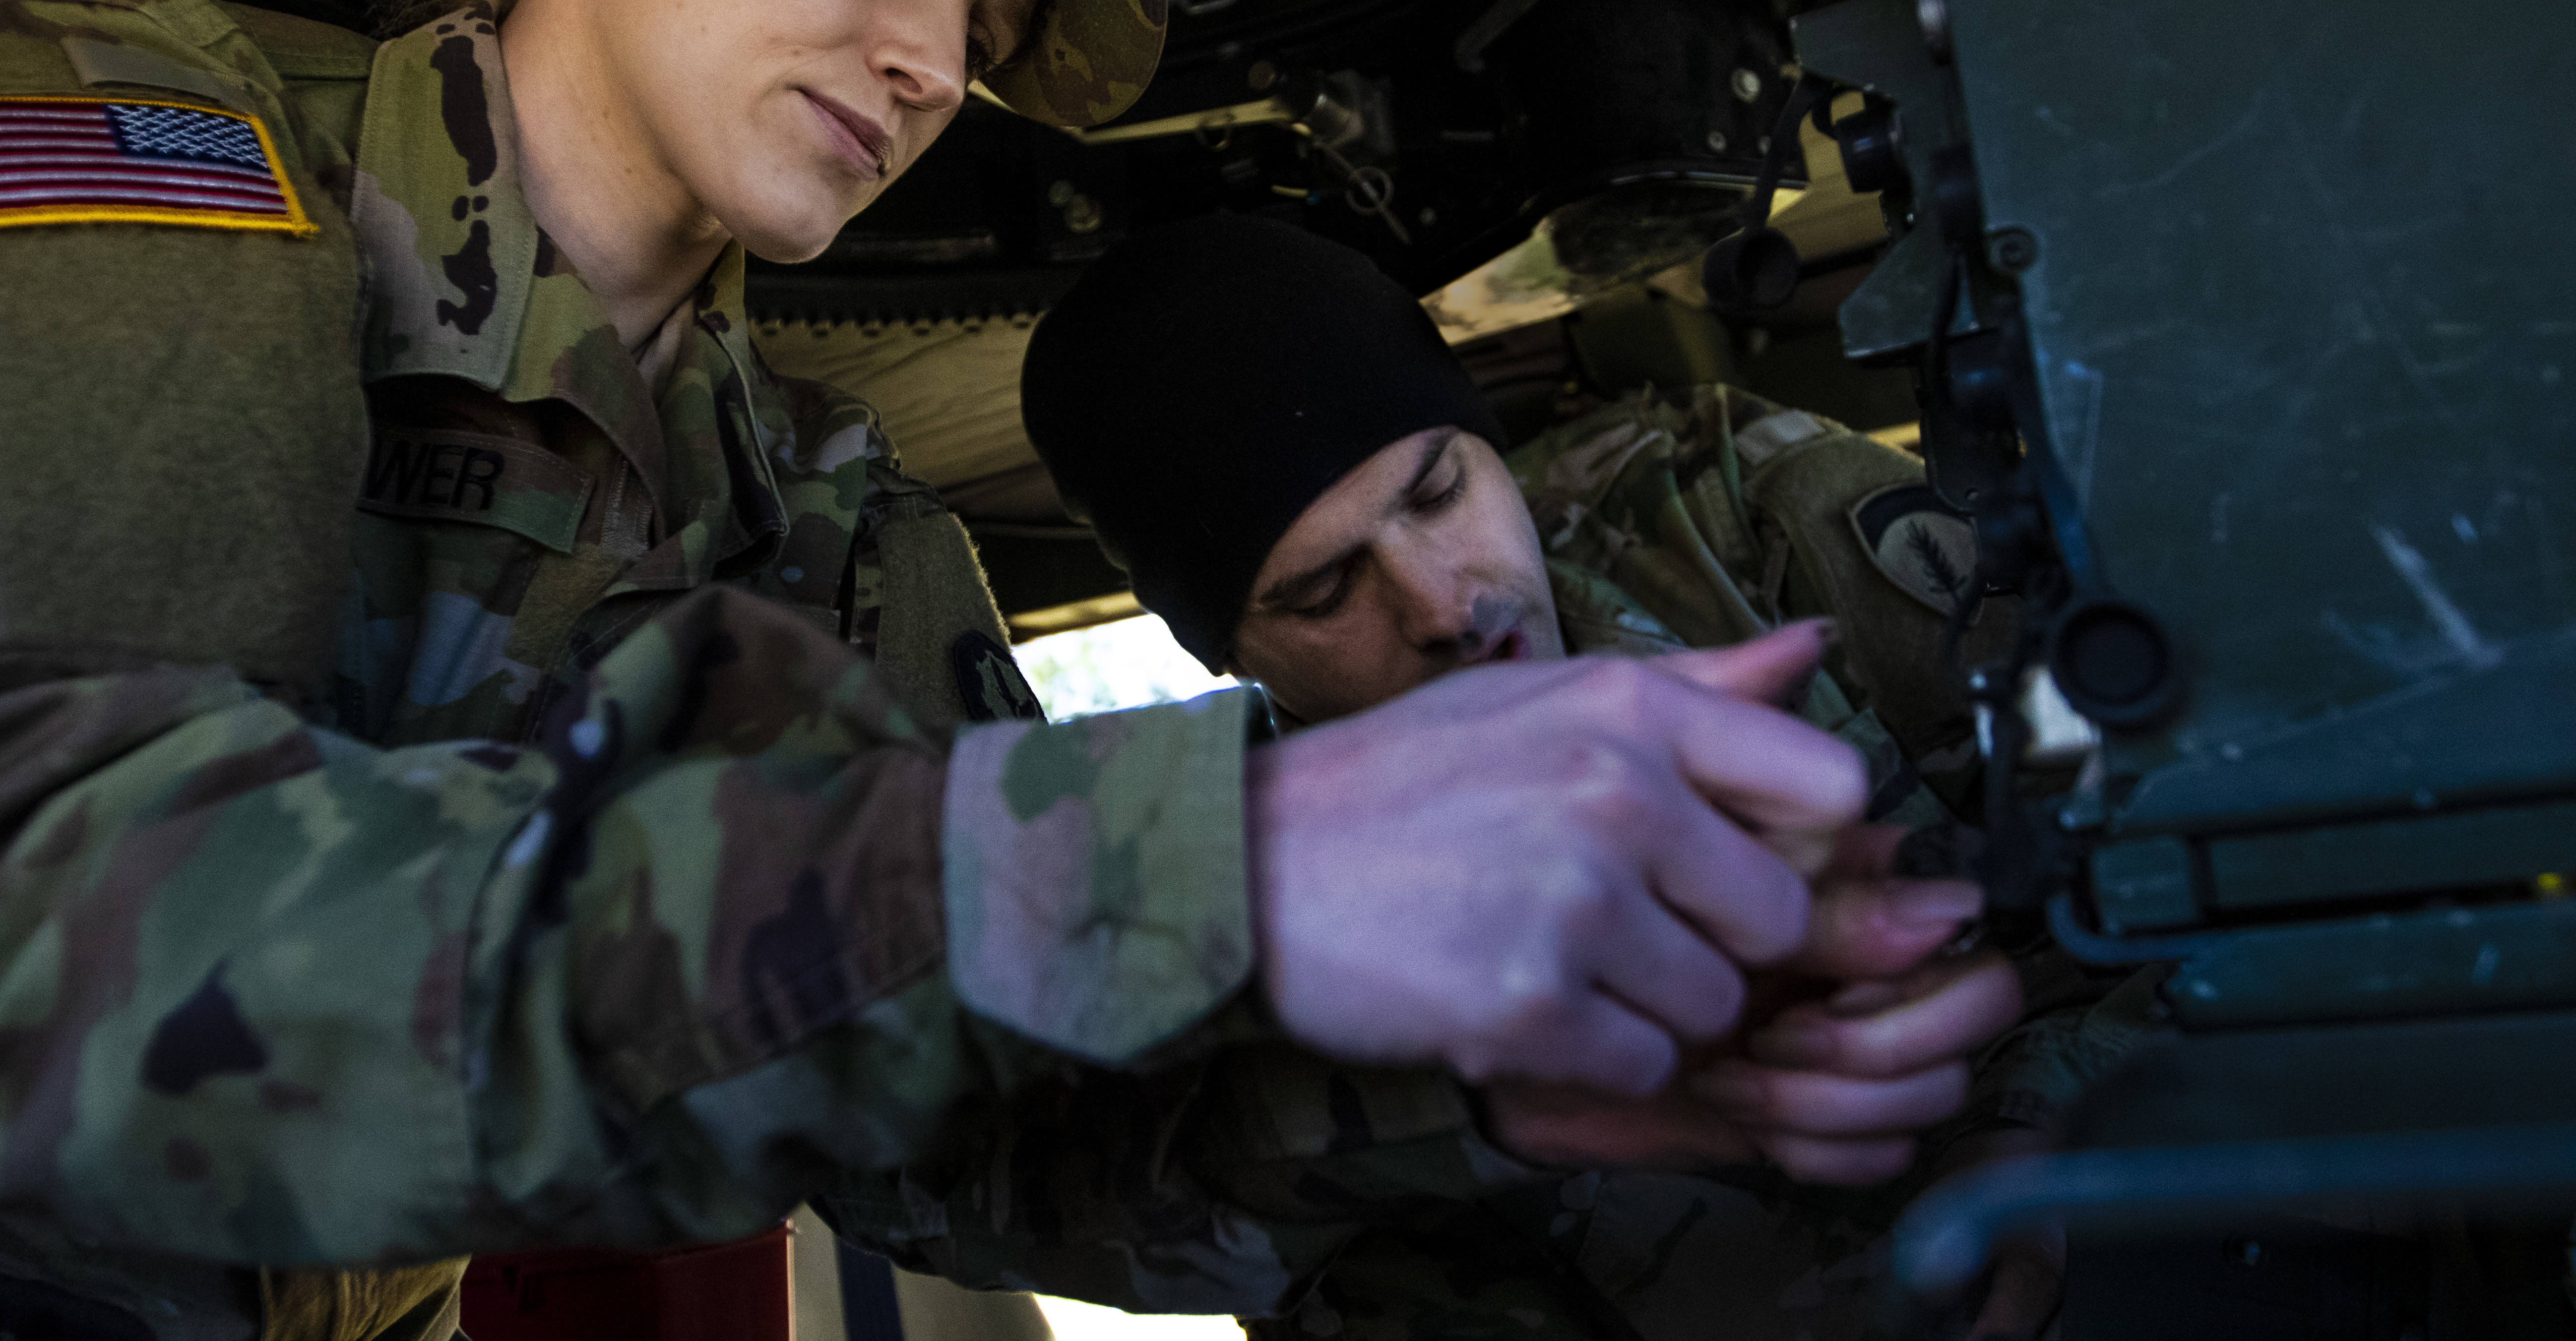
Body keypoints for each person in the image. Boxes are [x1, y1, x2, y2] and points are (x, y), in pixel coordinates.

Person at [0, 0, 1976, 1340]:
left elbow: (949, 1128)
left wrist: (1480, 1091)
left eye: (983, 20)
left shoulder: (813, 509)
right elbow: (12, 932)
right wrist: (1209, 863)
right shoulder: (155, 137)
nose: (934, 66)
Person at [885, 212, 2087, 1340]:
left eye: (1439, 493)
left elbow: (2191, 824)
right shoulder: (1233, 932)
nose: (1444, 606)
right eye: (1322, 592)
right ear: (1231, 655)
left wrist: (2036, 1133)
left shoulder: (1722, 516)